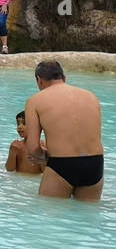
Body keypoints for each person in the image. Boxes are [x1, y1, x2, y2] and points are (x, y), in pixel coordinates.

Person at [24, 60, 104, 200]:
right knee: (88, 217)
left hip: (61, 163)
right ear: (64, 78)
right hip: (95, 163)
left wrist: (43, 157)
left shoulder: (35, 101)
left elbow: (32, 147)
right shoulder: (91, 96)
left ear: (39, 80)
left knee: (50, 217)